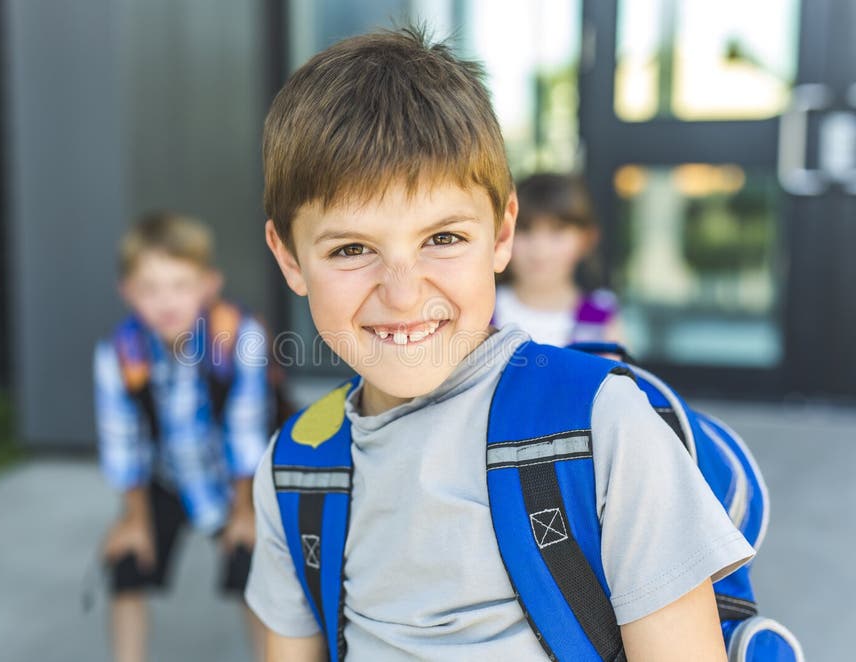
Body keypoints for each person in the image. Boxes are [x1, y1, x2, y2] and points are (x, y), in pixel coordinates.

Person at [246, 27, 754, 661]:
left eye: (443, 238)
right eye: (352, 249)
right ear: (289, 259)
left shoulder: (601, 425)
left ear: (502, 232)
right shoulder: (297, 468)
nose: (402, 294)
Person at [94, 212, 269, 662]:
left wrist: (244, 511)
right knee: (127, 565)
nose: (166, 301)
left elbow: (245, 431)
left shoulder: (237, 336)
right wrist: (133, 520)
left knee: (255, 565)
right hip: (164, 476)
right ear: (127, 292)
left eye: (180, 285)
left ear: (208, 285)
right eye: (150, 289)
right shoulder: (120, 353)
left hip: (231, 480)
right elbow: (123, 444)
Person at [494, 173, 625, 346]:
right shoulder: (481, 311)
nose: (540, 249)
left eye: (557, 231)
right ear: (503, 235)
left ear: (586, 239)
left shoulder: (601, 320)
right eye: (524, 229)